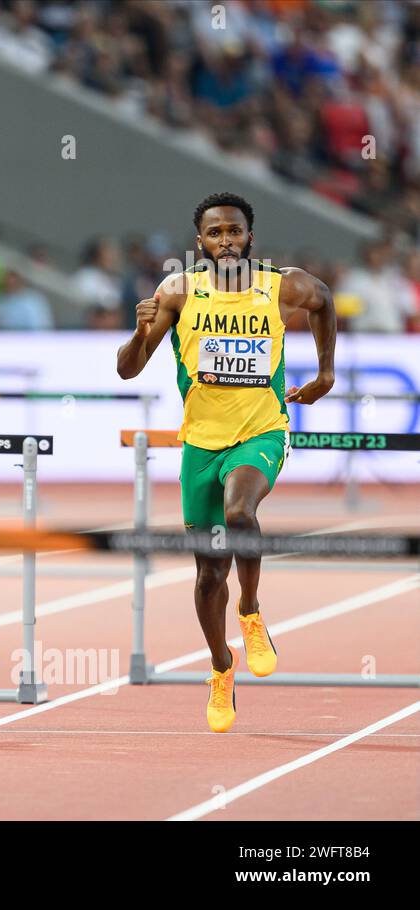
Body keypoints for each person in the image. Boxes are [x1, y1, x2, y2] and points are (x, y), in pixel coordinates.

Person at [116, 192, 336, 733]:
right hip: (200, 443)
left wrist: (326, 372)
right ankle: (220, 665)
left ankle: (252, 611)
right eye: (215, 233)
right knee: (208, 573)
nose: (226, 241)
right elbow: (126, 370)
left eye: (234, 231)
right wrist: (142, 331)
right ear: (200, 242)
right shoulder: (178, 292)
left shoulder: (281, 285)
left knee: (242, 513)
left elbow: (325, 300)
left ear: (249, 236)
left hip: (261, 431)